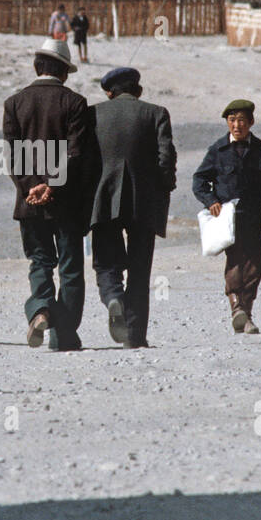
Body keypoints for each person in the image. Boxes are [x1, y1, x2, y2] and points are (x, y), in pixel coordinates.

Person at [3, 38, 97, 351]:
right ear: (65, 73)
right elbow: (76, 154)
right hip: (67, 202)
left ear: (36, 67)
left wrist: (33, 186)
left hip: (29, 201)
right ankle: (65, 336)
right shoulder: (76, 103)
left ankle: (40, 309)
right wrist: (52, 185)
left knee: (40, 261)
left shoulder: (14, 103)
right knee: (70, 268)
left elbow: (14, 157)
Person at [89, 67, 176, 348]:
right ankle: (135, 336)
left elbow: (81, 159)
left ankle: (113, 295)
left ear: (109, 92)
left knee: (105, 262)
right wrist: (164, 187)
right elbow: (166, 157)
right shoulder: (157, 113)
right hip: (144, 201)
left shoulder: (93, 114)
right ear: (137, 91)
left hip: (104, 199)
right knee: (140, 270)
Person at [192, 99, 261, 335]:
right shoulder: (218, 150)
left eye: (242, 120)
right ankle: (236, 308)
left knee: (255, 264)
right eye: (232, 120)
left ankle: (246, 313)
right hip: (228, 219)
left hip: (253, 217)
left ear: (251, 122)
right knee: (235, 262)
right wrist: (211, 201)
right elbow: (199, 181)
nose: (237, 125)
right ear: (227, 123)